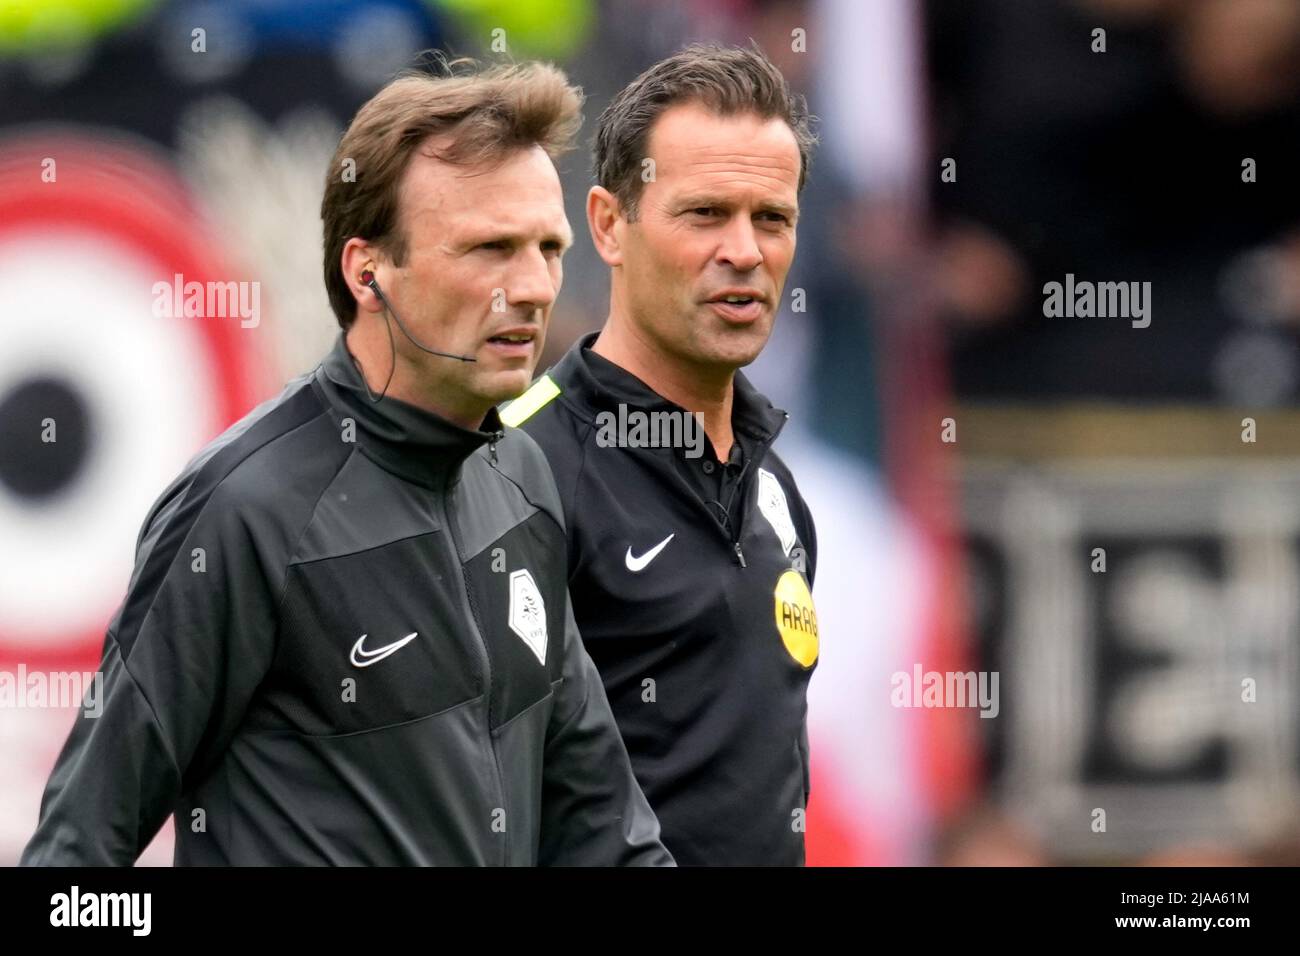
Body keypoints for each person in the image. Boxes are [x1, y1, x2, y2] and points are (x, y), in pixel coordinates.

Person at [22, 58, 671, 867]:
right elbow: (72, 869)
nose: (535, 286)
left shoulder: (524, 482)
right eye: (491, 248)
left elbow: (605, 833)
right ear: (368, 272)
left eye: (549, 247)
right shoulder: (242, 509)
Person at [505, 44, 819, 865]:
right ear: (609, 224)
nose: (745, 251)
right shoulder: (516, 473)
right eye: (706, 213)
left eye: (772, 218)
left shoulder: (778, 490)